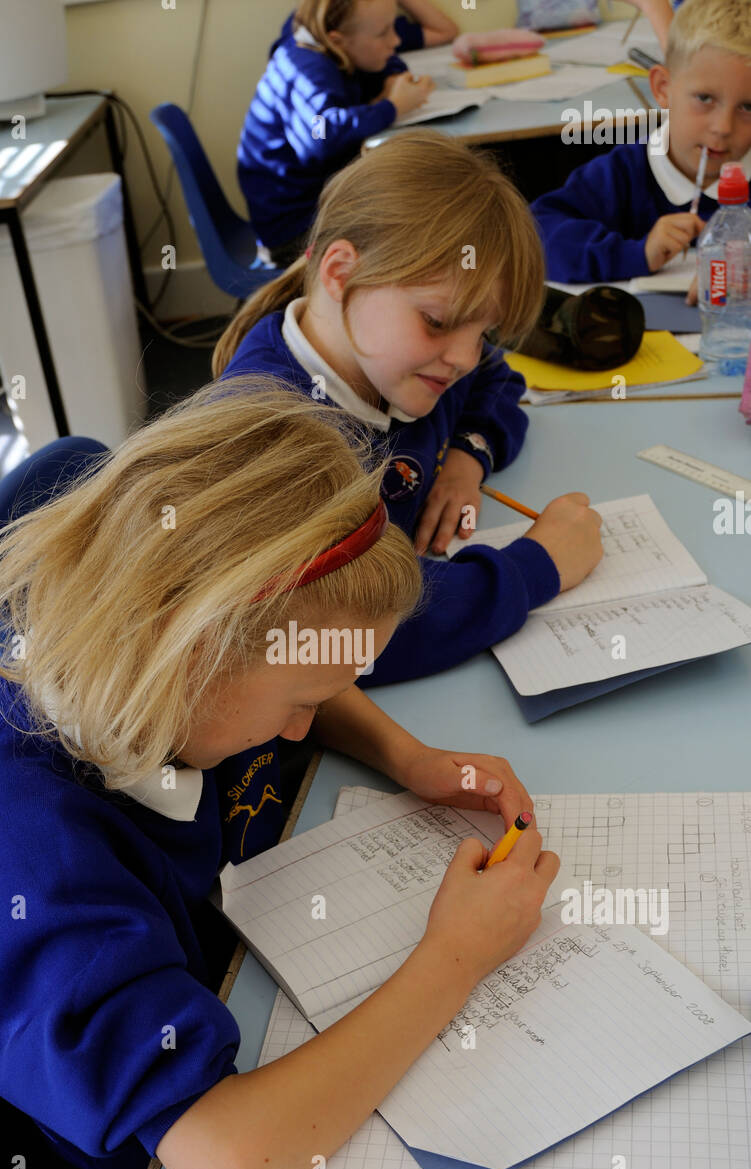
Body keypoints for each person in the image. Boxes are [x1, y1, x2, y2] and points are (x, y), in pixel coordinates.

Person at [0, 378, 558, 1169]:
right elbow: (232, 1163)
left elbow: (289, 667)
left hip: (240, 962)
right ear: (189, 658)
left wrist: (404, 755)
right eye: (300, 703)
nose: (303, 729)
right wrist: (456, 956)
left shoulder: (155, 667)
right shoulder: (35, 844)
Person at [216, 131, 604, 688]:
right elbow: (338, 637)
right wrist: (536, 566)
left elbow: (497, 380)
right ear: (341, 273)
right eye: (439, 323)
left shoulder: (398, 362)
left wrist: (467, 457)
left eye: (483, 330)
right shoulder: (272, 440)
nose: (466, 358)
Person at [530, 0, 751, 294]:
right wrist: (637, 253)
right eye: (705, 98)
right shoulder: (623, 174)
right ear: (662, 88)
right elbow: (536, 237)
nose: (723, 127)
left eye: (747, 106)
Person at [238, 0, 440, 267]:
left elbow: (383, 61)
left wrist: (394, 77)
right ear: (338, 40)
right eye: (383, 33)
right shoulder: (308, 65)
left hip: (316, 208)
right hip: (296, 232)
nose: (396, 40)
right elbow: (321, 135)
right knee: (418, 215)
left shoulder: (324, 33)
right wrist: (392, 107)